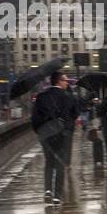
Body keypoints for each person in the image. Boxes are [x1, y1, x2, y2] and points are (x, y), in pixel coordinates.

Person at [30, 70, 78, 205]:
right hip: (62, 134)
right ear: (59, 81)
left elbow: (34, 118)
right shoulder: (68, 96)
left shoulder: (41, 97)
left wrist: (40, 131)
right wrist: (67, 128)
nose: (67, 83)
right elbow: (74, 114)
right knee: (60, 164)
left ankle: (47, 191)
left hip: (45, 134)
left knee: (49, 163)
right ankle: (57, 196)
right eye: (65, 81)